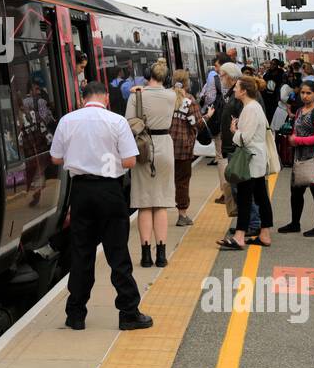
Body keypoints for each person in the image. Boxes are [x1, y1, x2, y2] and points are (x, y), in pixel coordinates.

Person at [49, 81, 152, 332]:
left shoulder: (67, 120)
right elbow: (129, 161)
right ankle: (128, 312)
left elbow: (55, 158)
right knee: (117, 254)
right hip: (109, 192)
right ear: (106, 97)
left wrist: (81, 156)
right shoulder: (117, 121)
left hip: (81, 193)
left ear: (83, 97)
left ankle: (75, 314)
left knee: (81, 253)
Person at [125, 59, 176, 268]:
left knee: (145, 203)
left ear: (148, 75)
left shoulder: (137, 95)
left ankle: (146, 256)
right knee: (161, 203)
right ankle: (162, 255)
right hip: (165, 146)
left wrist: (137, 92)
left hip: (143, 148)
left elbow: (128, 123)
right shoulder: (172, 96)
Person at [218, 76, 273, 251]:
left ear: (243, 91)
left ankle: (239, 237)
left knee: (244, 198)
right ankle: (264, 234)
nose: (234, 90)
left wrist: (234, 131)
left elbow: (244, 138)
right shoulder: (255, 107)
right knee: (261, 197)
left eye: (236, 87)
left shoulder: (250, 109)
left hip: (249, 160)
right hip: (257, 158)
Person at [277, 77, 314, 238]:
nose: (305, 96)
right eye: (302, 93)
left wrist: (297, 140)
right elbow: (296, 130)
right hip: (300, 158)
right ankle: (295, 223)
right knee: (295, 192)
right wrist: (293, 137)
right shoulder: (299, 111)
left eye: (308, 93)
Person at [217, 63, 261, 237]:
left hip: (239, 150)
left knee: (242, 189)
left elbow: (245, 129)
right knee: (239, 189)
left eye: (221, 75)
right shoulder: (233, 97)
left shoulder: (242, 102)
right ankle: (246, 223)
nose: (220, 79)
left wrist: (234, 134)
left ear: (229, 76)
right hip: (234, 148)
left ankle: (253, 223)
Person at [169, 69, 206, 226]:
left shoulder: (166, 98)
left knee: (164, 181)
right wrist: (208, 116)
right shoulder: (189, 100)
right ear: (187, 82)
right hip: (184, 147)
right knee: (182, 181)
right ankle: (182, 214)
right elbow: (196, 123)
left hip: (165, 146)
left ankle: (158, 214)